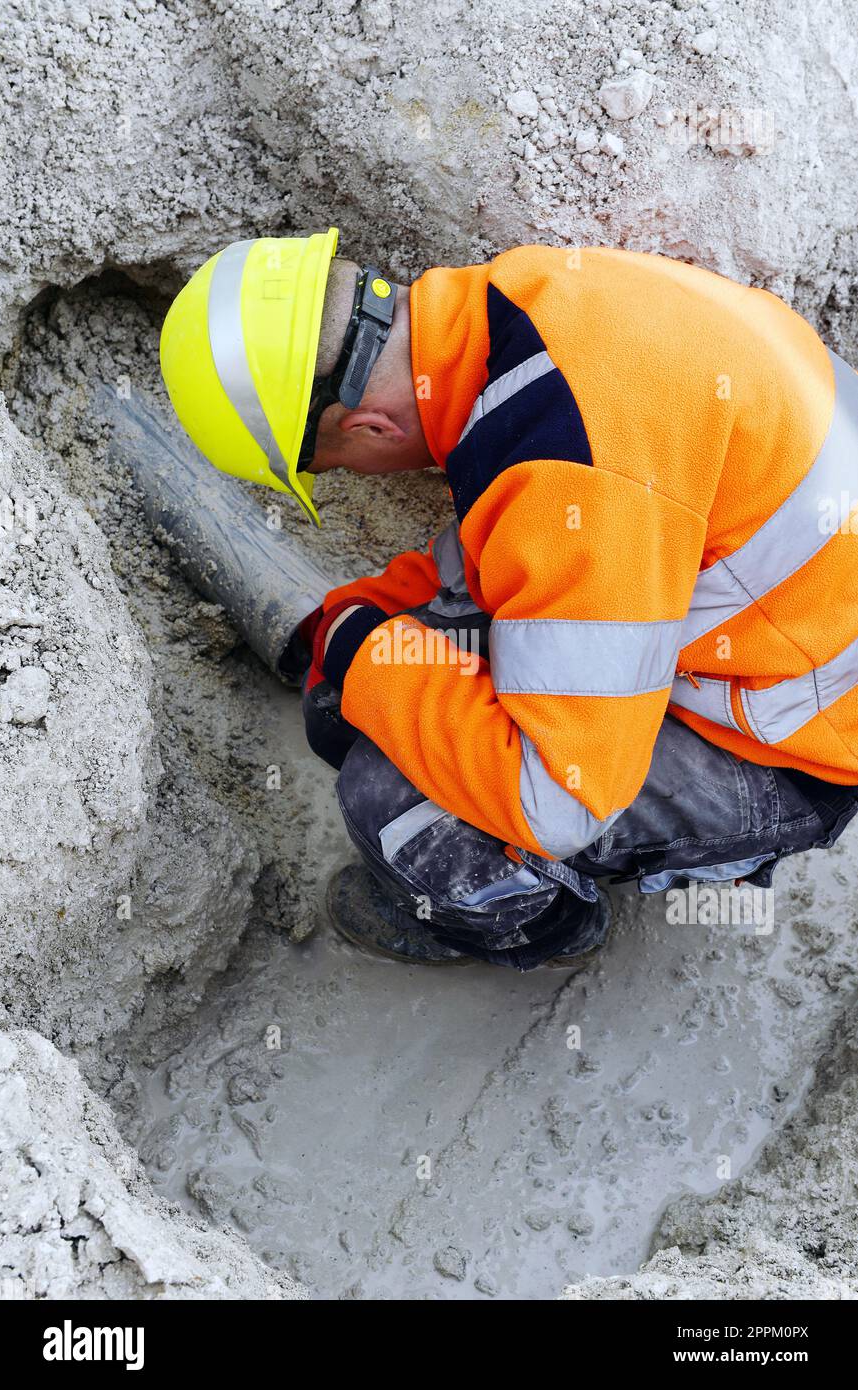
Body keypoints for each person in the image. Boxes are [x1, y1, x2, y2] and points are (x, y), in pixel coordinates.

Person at [158, 230, 858, 969]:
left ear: (368, 428)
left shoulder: (575, 469)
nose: (355, 476)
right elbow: (516, 540)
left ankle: (549, 925)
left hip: (798, 745)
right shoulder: (523, 302)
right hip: (786, 605)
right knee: (350, 697)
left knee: (395, 805)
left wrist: (368, 661)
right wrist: (353, 621)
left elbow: (559, 799)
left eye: (335, 468)